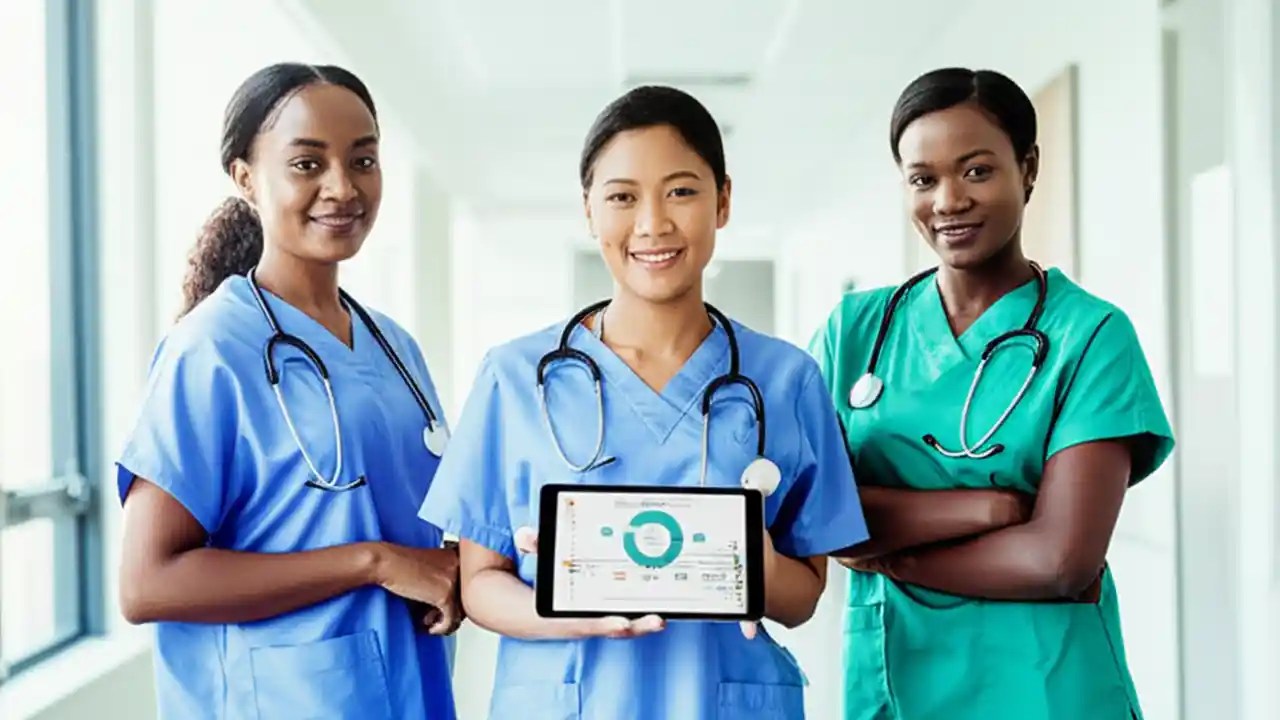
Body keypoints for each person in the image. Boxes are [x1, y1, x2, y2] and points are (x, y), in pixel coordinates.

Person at [419, 85, 868, 720]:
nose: (653, 223)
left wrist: (751, 564)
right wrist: (571, 611)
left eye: (681, 191)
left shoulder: (787, 379)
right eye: (622, 197)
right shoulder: (515, 377)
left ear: (724, 201)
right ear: (589, 211)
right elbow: (480, 581)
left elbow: (804, 596)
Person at [811, 67, 1176, 720]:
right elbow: (815, 513)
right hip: (893, 685)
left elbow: (1060, 560)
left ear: (1027, 168)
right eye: (923, 179)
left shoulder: (1089, 336)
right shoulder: (855, 331)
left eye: (976, 170)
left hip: (1046, 689)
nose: (948, 200)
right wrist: (987, 511)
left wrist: (883, 554)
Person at [116, 63, 460, 720]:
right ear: (246, 177)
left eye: (363, 160)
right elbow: (147, 582)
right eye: (307, 164)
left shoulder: (395, 348)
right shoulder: (212, 348)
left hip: (407, 692)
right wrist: (375, 562)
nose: (343, 187)